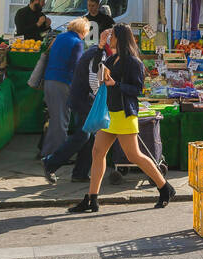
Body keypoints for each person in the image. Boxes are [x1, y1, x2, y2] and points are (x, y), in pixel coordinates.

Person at [69, 23, 174, 213]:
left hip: (124, 115)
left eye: (112, 36)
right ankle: (92, 199)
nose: (110, 39)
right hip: (110, 114)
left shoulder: (134, 62)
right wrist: (100, 47)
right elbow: (94, 68)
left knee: (134, 156)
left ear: (120, 38)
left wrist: (116, 84)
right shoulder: (113, 58)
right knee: (97, 152)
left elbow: (137, 90)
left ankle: (164, 188)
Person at [42, 27, 115, 184]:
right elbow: (94, 80)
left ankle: (80, 173)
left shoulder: (99, 51)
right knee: (83, 136)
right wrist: (103, 94)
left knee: (89, 136)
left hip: (82, 97)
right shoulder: (99, 53)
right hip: (83, 99)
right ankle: (50, 162)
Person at [42, 17, 88, 158]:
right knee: (61, 121)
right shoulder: (77, 42)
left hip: (49, 80)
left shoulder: (60, 37)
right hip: (62, 82)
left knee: (55, 119)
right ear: (83, 30)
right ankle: (56, 155)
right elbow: (76, 67)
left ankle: (47, 151)